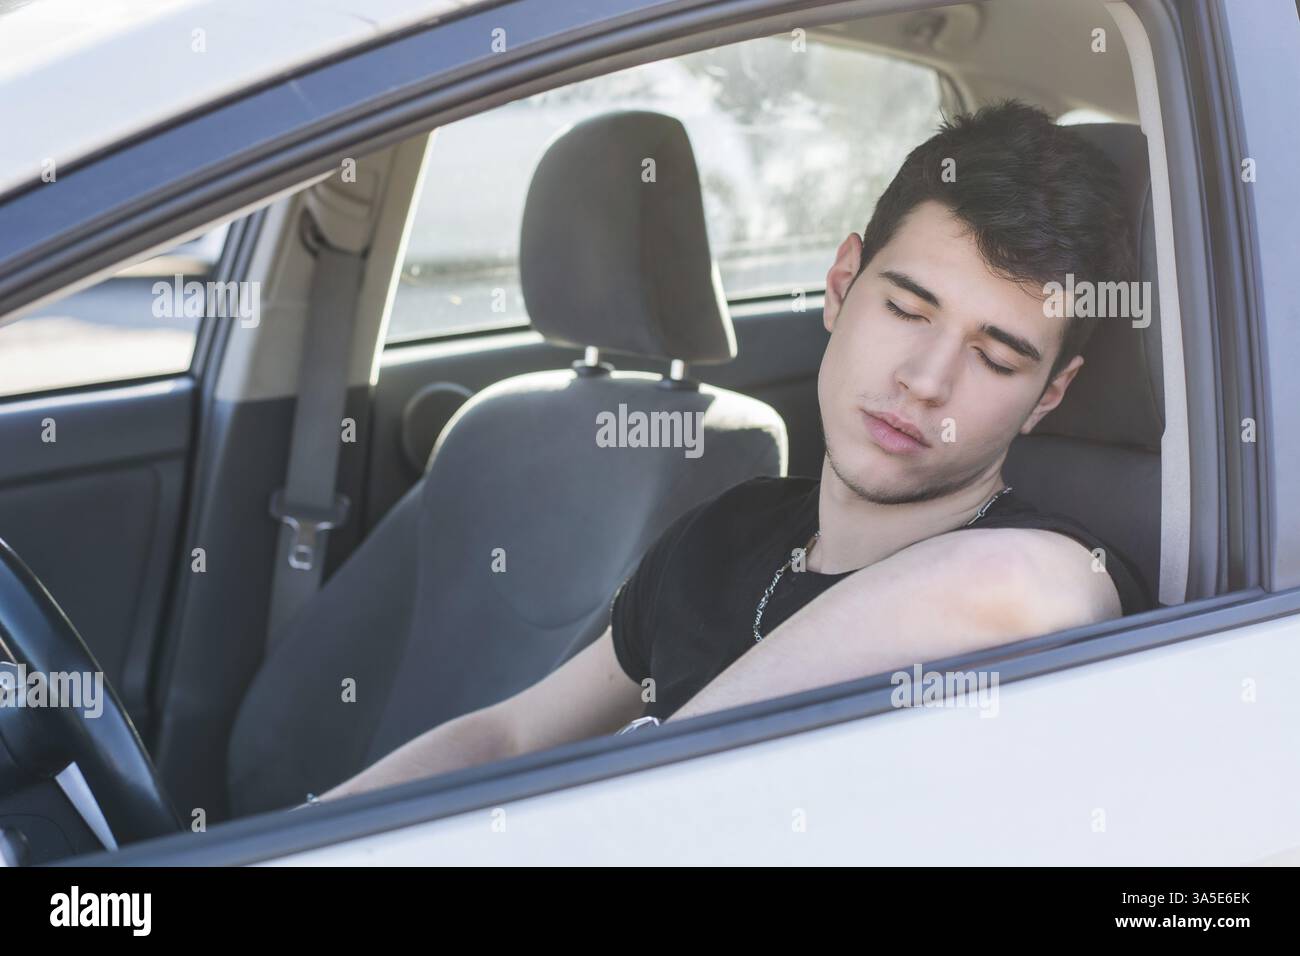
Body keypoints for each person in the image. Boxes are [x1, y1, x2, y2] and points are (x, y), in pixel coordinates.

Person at [319, 99, 1152, 802]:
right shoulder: (728, 531)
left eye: (995, 357)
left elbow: (1013, 590)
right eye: (906, 309)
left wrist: (641, 786)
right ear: (840, 287)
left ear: (1048, 394)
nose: (926, 382)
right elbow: (510, 735)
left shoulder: (1048, 567)